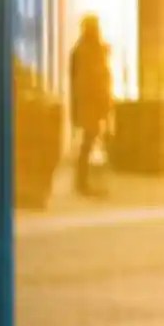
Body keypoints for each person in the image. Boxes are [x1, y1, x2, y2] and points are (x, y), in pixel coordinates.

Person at [70, 15, 113, 196]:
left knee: (91, 141)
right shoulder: (88, 51)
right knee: (90, 140)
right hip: (91, 102)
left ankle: (85, 181)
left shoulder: (88, 50)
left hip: (92, 102)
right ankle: (84, 181)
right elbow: (94, 78)